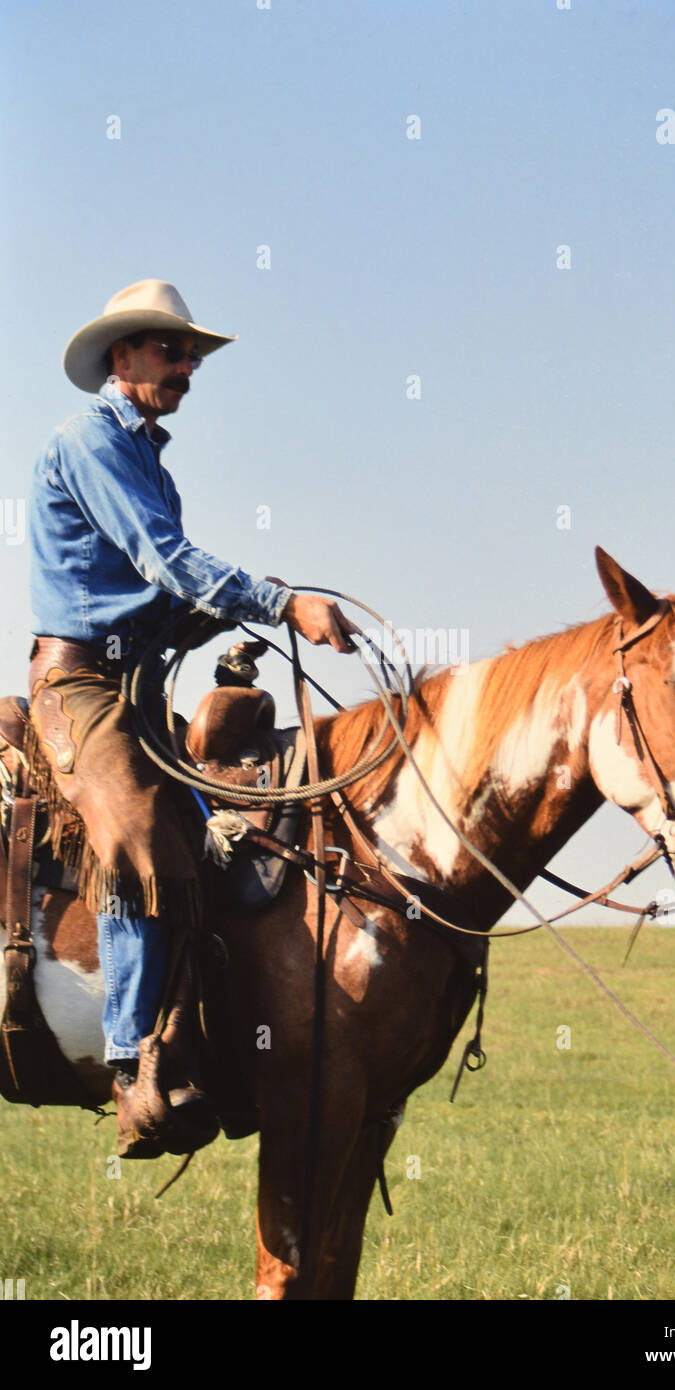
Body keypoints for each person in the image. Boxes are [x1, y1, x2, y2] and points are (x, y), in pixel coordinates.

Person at [27, 279, 356, 1157]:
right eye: (173, 352)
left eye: (192, 357)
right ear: (122, 355)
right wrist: (282, 603)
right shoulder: (89, 442)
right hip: (81, 687)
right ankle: (133, 1062)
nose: (186, 368)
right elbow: (162, 559)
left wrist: (236, 620)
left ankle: (199, 1039)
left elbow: (164, 597)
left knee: (218, 832)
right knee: (140, 835)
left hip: (134, 684)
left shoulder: (149, 461)